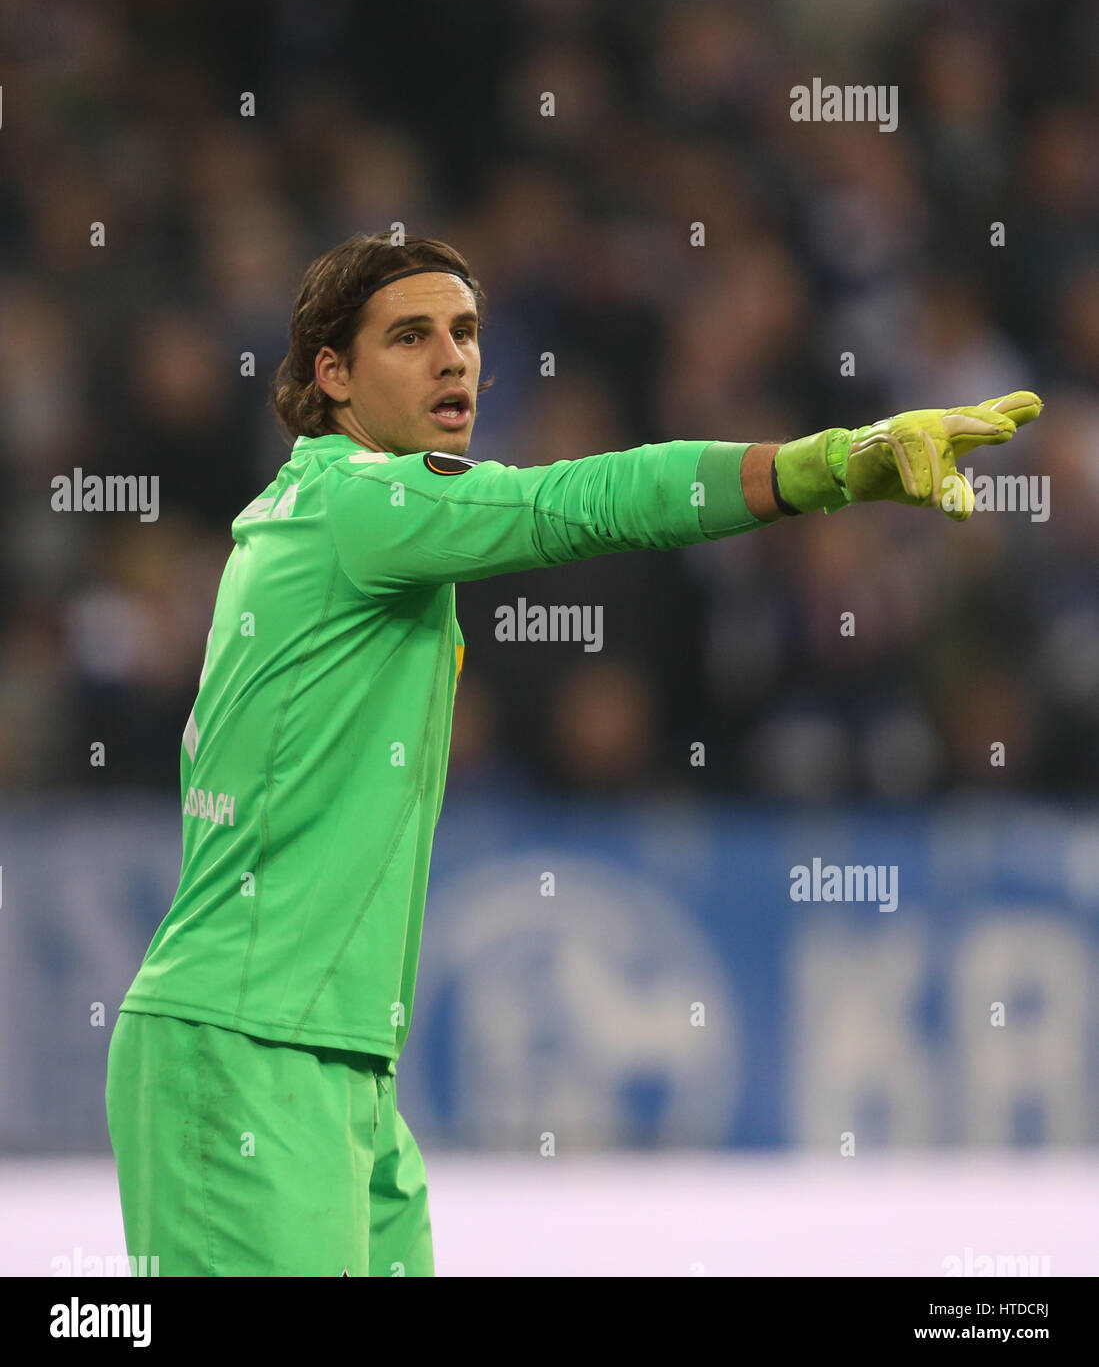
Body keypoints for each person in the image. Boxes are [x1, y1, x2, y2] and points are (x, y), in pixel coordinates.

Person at [104, 230, 1042, 1276]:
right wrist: (820, 466)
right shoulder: (352, 505)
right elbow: (574, 504)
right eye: (410, 337)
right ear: (332, 375)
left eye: (463, 332)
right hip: (244, 1044)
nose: (453, 357)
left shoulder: (345, 521)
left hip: (338, 1062)